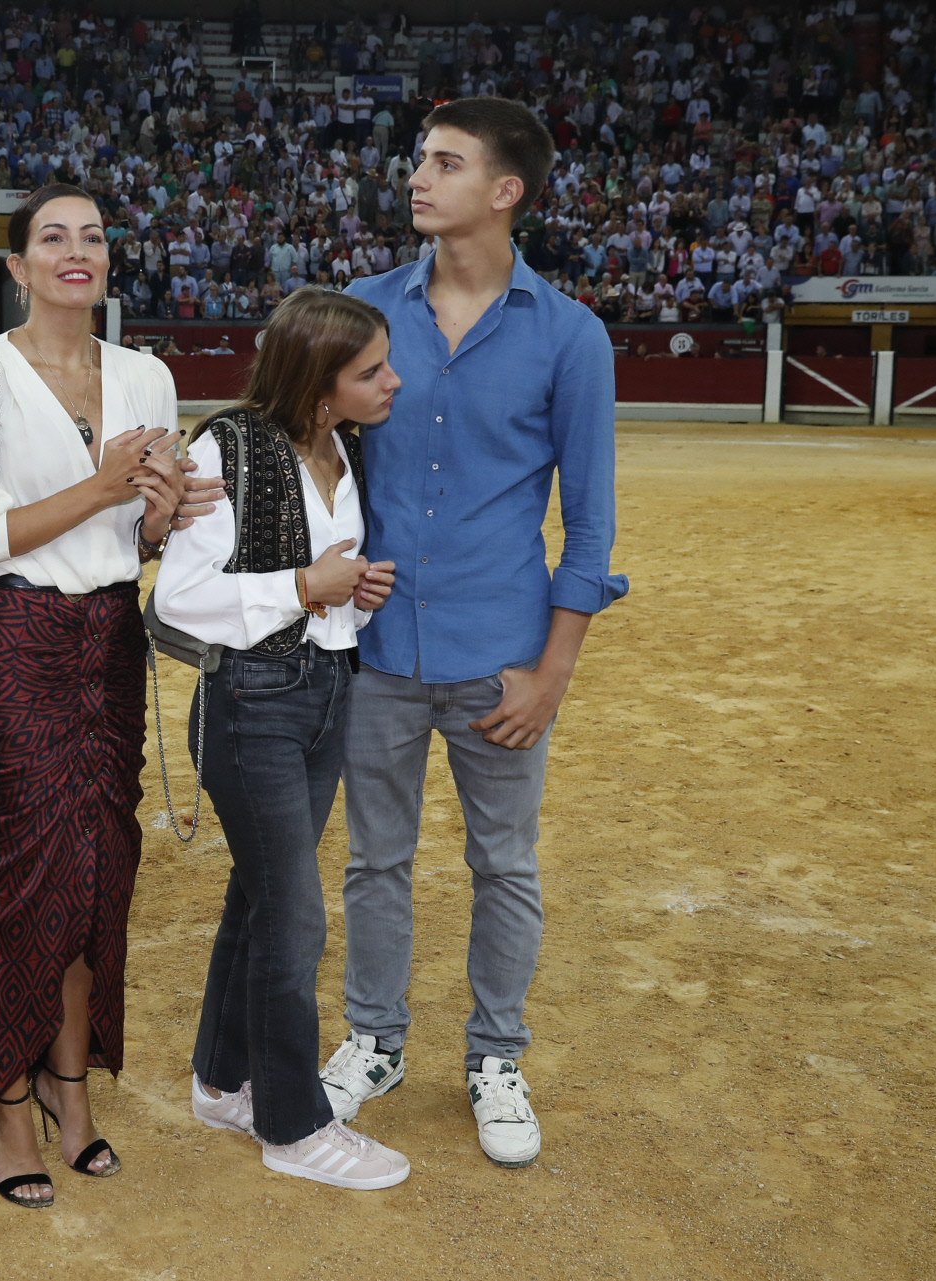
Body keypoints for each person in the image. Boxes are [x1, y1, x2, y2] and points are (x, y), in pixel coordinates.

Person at [333, 97, 628, 1169]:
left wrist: (552, 672)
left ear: (505, 193)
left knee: (505, 868)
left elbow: (589, 524)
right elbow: (300, 460)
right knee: (375, 863)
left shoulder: (572, 335)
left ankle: (497, 1056)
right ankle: (374, 1040)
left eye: (446, 163)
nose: (419, 175)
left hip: (503, 657)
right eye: (419, 157)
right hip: (371, 652)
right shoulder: (358, 310)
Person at [0, 183, 219, 1210]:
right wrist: (101, 488)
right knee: (23, 872)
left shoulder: (147, 374)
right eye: (53, 238)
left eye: (92, 236)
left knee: (101, 873)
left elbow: (132, 544)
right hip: (20, 639)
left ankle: (68, 1083)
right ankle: (6, 1099)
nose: (76, 251)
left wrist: (164, 514)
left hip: (111, 640)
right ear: (19, 266)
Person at [154, 288, 409, 1189]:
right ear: (320, 379)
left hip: (326, 691)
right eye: (371, 369)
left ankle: (223, 1079)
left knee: (260, 899)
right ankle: (293, 1125)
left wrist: (344, 592)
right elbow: (174, 601)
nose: (392, 381)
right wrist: (304, 585)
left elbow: (323, 584)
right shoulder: (227, 447)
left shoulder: (347, 446)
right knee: (294, 916)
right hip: (253, 702)